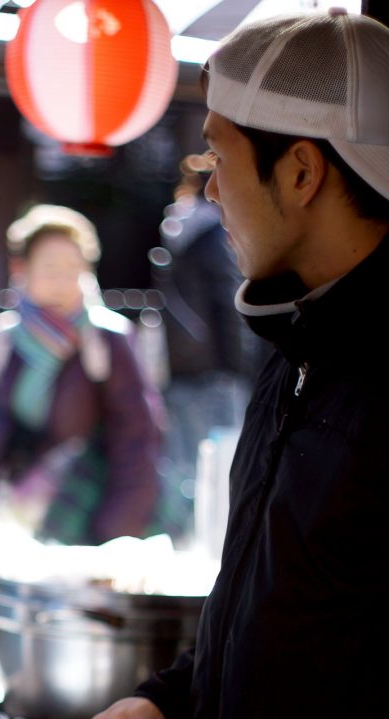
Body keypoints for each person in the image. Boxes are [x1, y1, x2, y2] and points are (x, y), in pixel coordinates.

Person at [66, 10, 389, 719]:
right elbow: (294, 594)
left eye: (217, 159)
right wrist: (182, 702)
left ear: (302, 172)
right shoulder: (300, 347)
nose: (205, 190)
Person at [0, 204, 163, 545]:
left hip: (87, 508)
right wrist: (9, 446)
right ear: (21, 268)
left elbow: (137, 438)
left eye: (73, 269)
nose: (62, 281)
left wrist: (115, 530)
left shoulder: (107, 339)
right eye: (50, 268)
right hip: (12, 506)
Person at [149, 152, 263, 543]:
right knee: (223, 460)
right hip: (217, 369)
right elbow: (229, 308)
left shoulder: (175, 230)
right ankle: (213, 543)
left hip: (180, 364)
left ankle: (182, 537)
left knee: (184, 462)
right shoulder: (215, 235)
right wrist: (243, 370)